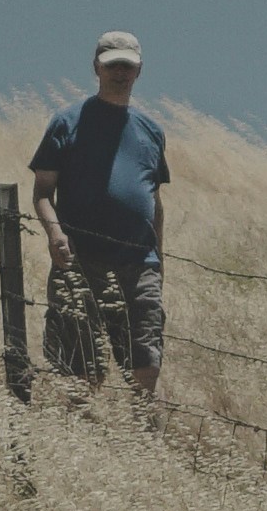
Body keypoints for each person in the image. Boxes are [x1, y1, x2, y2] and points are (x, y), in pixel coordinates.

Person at [30, 32, 171, 394]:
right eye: (112, 66)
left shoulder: (151, 131)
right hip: (80, 261)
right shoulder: (68, 121)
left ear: (139, 71)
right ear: (96, 68)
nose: (120, 73)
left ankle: (142, 443)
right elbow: (43, 192)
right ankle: (81, 441)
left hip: (139, 265)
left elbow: (153, 200)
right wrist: (55, 235)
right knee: (80, 372)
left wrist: (159, 261)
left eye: (127, 66)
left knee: (145, 368)